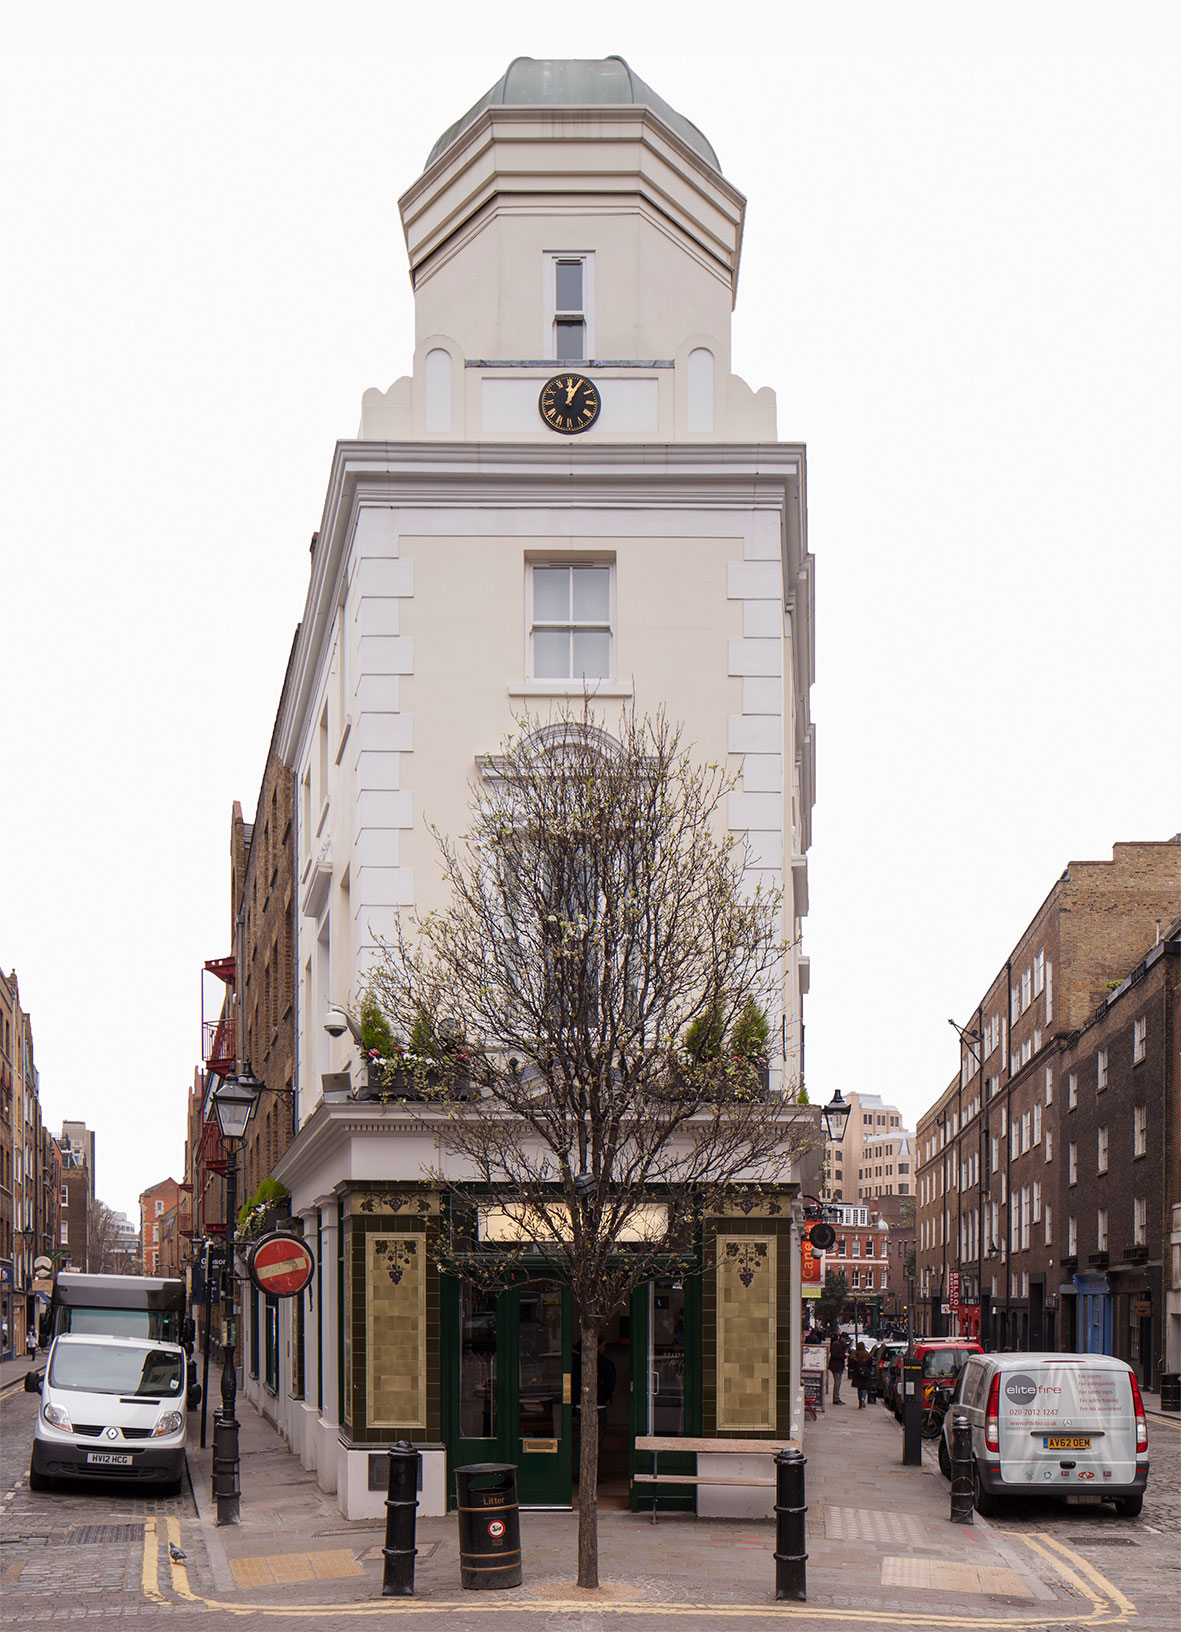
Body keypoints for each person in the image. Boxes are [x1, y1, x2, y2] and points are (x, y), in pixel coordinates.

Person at [828, 1331, 848, 1404]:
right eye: (845, 1339)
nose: (846, 1340)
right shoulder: (836, 1344)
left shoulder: (842, 1344)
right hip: (835, 1366)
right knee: (837, 1382)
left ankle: (837, 1397)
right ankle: (835, 1398)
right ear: (842, 1338)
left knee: (838, 1383)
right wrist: (844, 1355)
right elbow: (834, 1355)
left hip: (839, 1366)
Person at [851, 1342, 873, 1408]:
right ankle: (863, 1397)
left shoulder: (855, 1355)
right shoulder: (867, 1355)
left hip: (857, 1373)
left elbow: (852, 1364)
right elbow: (870, 1363)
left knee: (859, 1388)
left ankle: (860, 1401)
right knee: (865, 1387)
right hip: (866, 1373)